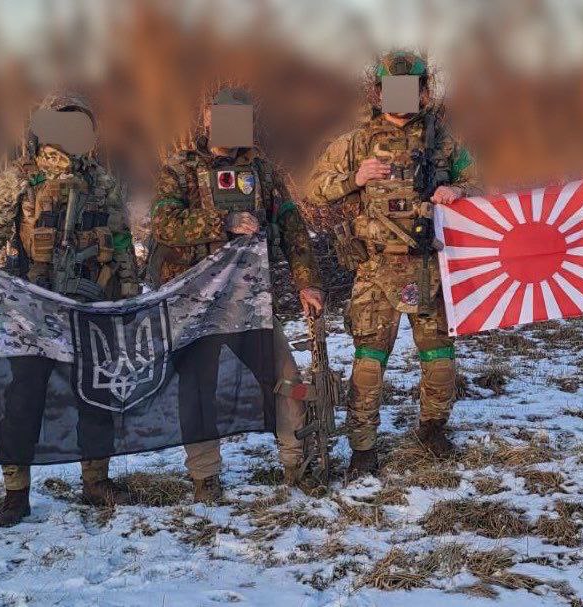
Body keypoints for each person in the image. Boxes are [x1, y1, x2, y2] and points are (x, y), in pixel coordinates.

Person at [0, 92, 142, 526]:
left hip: (91, 304)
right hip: (32, 310)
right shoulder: (20, 177)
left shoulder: (102, 182)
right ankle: (15, 493)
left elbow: (121, 241)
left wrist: (129, 292)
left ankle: (96, 481)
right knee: (24, 398)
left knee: (97, 394)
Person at [304, 51, 482, 479]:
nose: (403, 97)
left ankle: (432, 429)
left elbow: (478, 183)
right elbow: (313, 189)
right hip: (375, 269)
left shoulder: (443, 141)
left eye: (413, 88)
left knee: (439, 359)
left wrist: (457, 191)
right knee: (368, 363)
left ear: (424, 92)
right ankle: (363, 448)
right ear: (377, 92)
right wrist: (355, 179)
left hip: (430, 268)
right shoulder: (357, 142)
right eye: (392, 88)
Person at [146, 86, 324, 502]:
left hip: (250, 300)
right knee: (197, 387)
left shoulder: (262, 170)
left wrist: (307, 281)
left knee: (288, 381)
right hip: (196, 303)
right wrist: (221, 221)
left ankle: (297, 464)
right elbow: (163, 225)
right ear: (207, 119)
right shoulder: (179, 169)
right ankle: (205, 479)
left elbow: (292, 228)